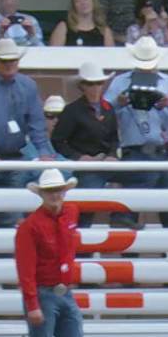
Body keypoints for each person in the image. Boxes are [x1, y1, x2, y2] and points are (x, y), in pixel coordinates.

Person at [14, 168, 115, 337]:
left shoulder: (67, 214)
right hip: (47, 293)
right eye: (50, 191)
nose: (55, 195)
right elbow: (26, 271)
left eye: (58, 190)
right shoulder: (31, 227)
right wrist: (33, 303)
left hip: (62, 291)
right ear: (43, 194)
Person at [103, 36, 168, 230]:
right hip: (135, 151)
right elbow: (103, 112)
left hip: (163, 151)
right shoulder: (120, 82)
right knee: (130, 210)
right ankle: (129, 253)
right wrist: (119, 103)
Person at [0, 38, 55, 228]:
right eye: (4, 61)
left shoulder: (28, 85)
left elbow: (36, 124)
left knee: (12, 210)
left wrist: (44, 152)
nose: (9, 65)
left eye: (12, 61)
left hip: (16, 156)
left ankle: (4, 252)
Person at [51, 62, 119, 229]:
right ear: (82, 86)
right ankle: (81, 244)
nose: (95, 88)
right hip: (88, 168)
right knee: (86, 208)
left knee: (135, 183)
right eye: (91, 83)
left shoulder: (108, 108)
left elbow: (114, 138)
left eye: (99, 83)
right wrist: (79, 157)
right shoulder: (72, 111)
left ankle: (121, 220)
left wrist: (111, 155)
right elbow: (57, 140)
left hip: (107, 164)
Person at [50, 0, 114, 47]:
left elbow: (111, 56)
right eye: (78, 1)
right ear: (74, 6)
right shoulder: (63, 26)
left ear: (93, 2)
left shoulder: (104, 30)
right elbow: (53, 53)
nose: (83, 3)